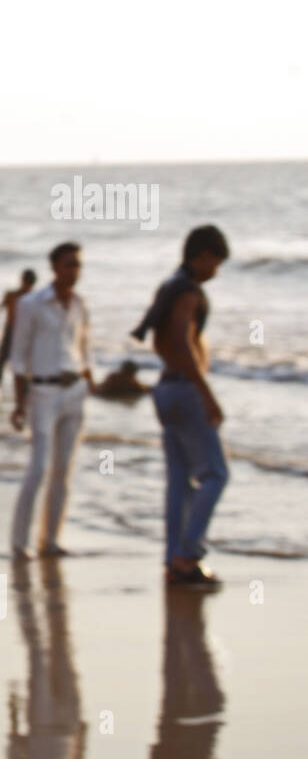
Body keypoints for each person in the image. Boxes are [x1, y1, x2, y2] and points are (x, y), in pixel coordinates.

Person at [131, 225, 229, 587]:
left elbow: (161, 342)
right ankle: (188, 555)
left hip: (166, 388)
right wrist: (205, 391)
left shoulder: (170, 286)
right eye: (216, 262)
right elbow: (181, 341)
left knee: (179, 482)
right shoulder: (187, 292)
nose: (216, 270)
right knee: (216, 475)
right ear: (202, 255)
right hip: (185, 390)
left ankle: (175, 560)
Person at [8, 242, 97, 559]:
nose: (74, 271)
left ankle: (52, 540)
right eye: (70, 264)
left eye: (78, 265)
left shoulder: (80, 304)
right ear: (55, 266)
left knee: (64, 469)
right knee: (39, 467)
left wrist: (90, 379)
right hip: (43, 391)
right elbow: (18, 357)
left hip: (74, 390)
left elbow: (84, 347)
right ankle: (20, 543)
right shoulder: (32, 304)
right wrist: (19, 403)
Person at [0, 268, 37, 402]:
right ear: (22, 281)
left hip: (25, 336)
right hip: (10, 333)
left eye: (30, 285)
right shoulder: (12, 295)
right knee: (0, 363)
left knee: (25, 367)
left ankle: (25, 396)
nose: (28, 287)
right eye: (26, 283)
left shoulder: (35, 298)